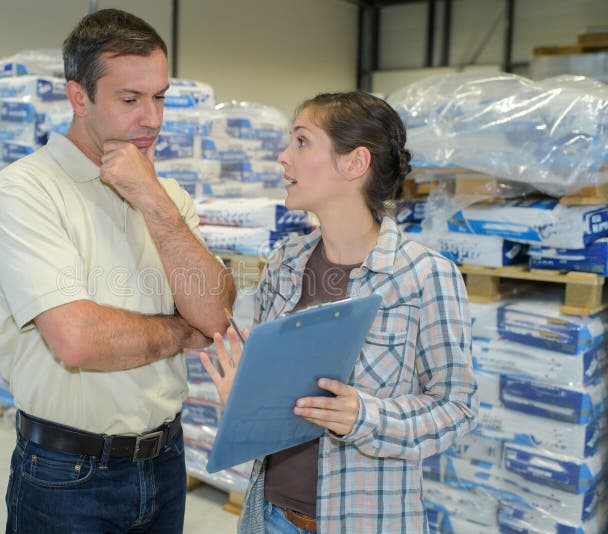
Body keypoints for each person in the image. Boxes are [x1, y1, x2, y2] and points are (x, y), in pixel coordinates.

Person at [0, 8, 235, 533]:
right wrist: (177, 330)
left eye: (159, 97)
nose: (153, 118)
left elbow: (212, 316)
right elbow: (78, 341)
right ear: (79, 97)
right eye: (130, 100)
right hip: (67, 476)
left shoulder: (169, 199)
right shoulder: (26, 191)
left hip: (165, 463)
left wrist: (153, 201)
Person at [201, 91, 478, 533]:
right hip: (271, 517)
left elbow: (456, 409)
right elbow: (278, 402)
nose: (283, 157)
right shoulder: (286, 263)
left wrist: (365, 418)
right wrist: (246, 399)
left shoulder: (424, 276)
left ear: (354, 164)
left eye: (302, 142)